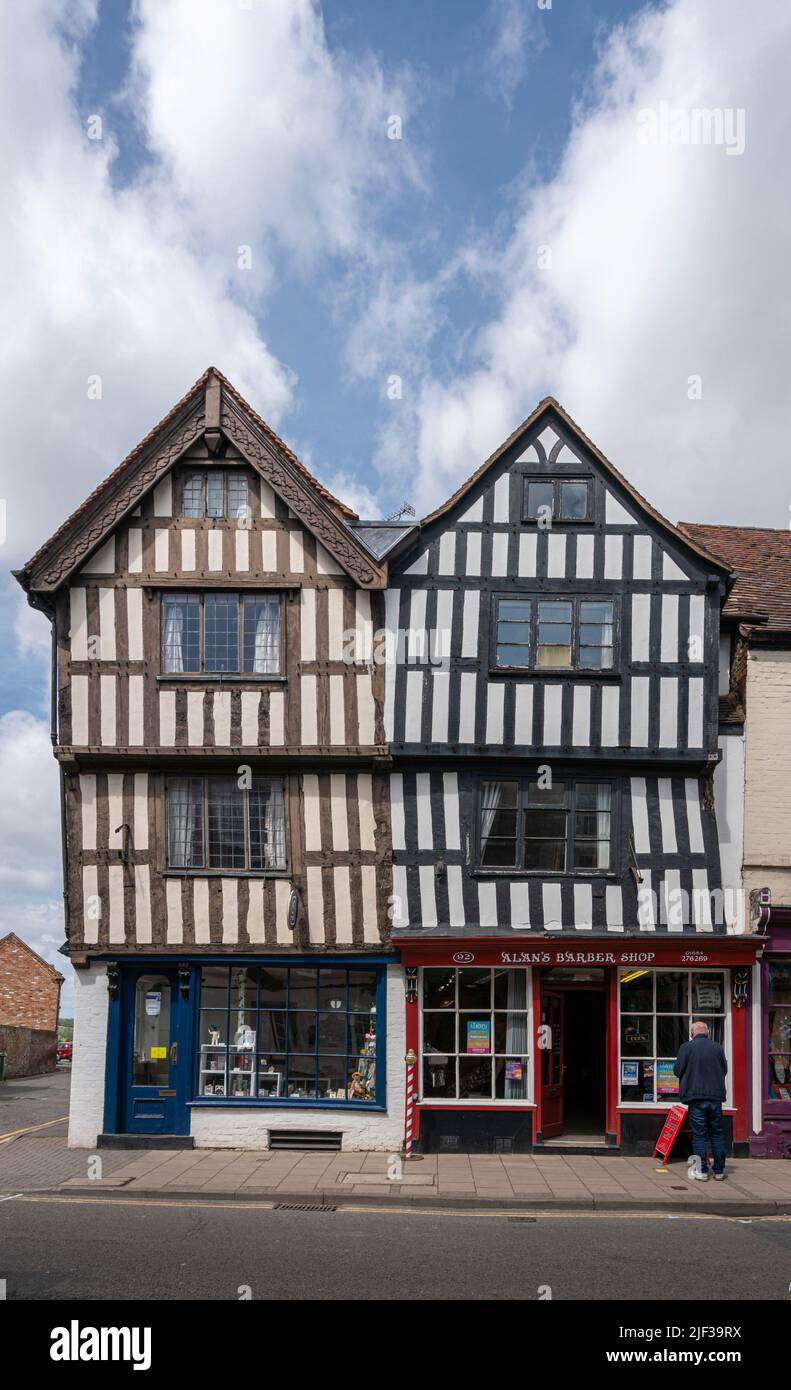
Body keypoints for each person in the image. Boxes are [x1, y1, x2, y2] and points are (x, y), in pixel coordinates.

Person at [673, 1021, 728, 1181]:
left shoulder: (686, 1048)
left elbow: (677, 1071)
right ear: (708, 1032)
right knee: (717, 1134)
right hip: (715, 1097)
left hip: (695, 1097)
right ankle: (719, 1171)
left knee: (699, 1135)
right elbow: (724, 1070)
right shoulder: (717, 1047)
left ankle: (702, 1171)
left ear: (692, 1033)